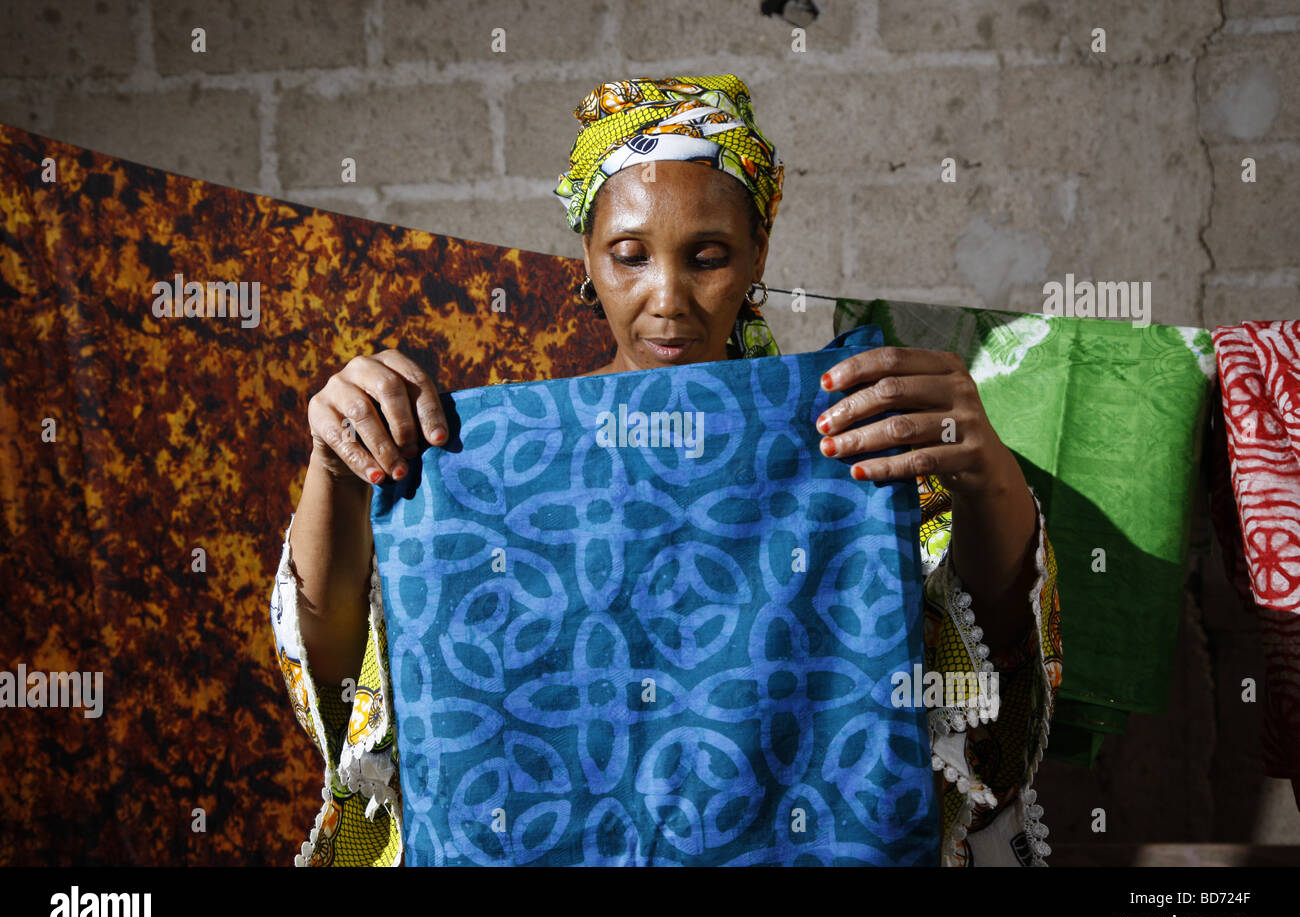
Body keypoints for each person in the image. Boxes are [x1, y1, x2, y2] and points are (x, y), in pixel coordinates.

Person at [270, 73, 1062, 867]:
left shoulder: (851, 444)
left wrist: (987, 475)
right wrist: (335, 471)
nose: (668, 297)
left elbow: (985, 672)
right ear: (586, 253)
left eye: (708, 256)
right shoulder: (489, 464)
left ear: (759, 254)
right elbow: (344, 682)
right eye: (630, 255)